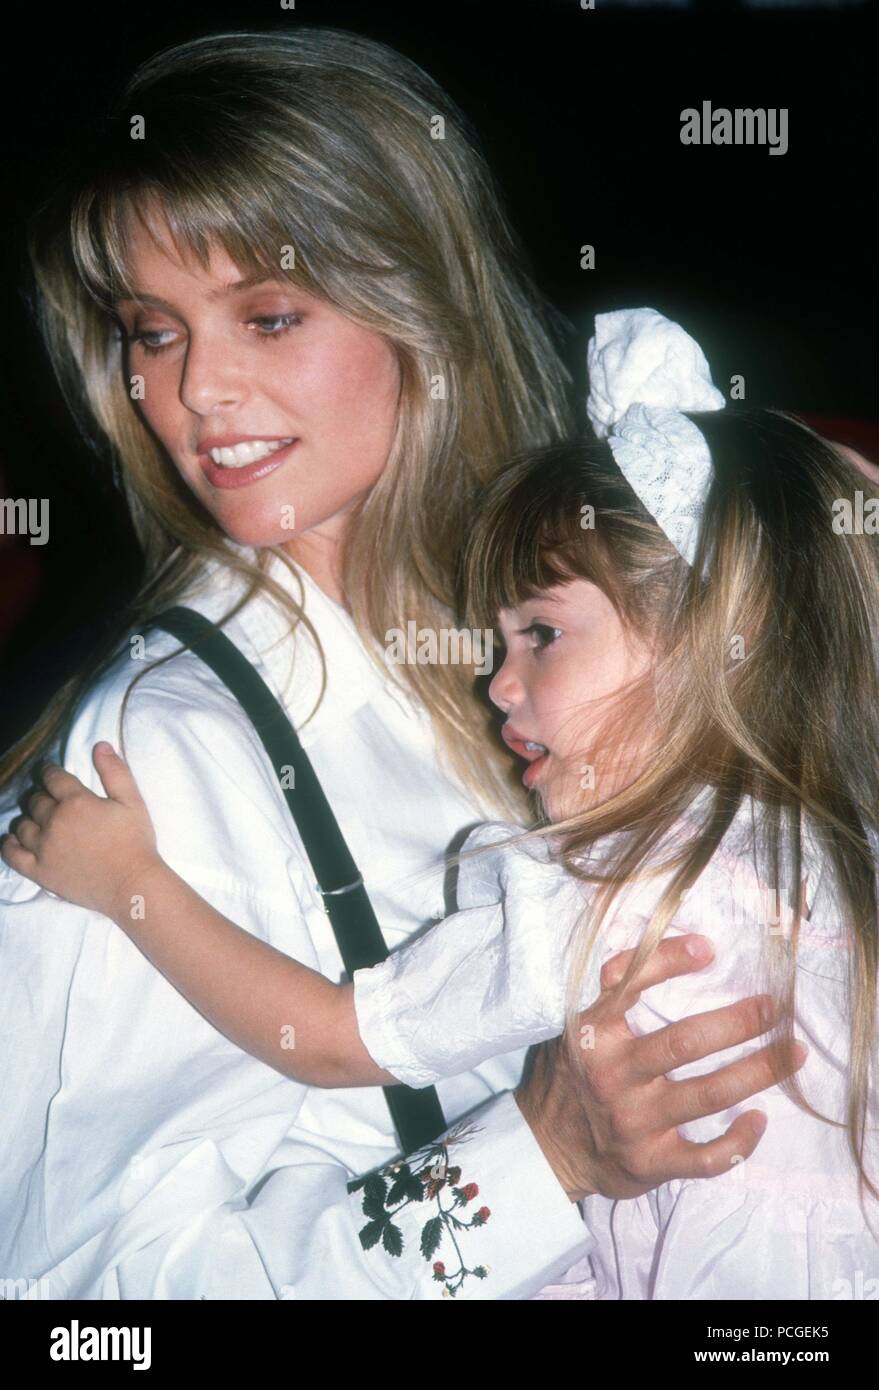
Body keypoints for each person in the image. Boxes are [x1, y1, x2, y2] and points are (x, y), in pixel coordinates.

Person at [0, 34, 799, 1301]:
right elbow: (83, 1303)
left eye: (268, 315)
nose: (196, 386)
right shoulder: (153, 754)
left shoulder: (571, 615)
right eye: (150, 333)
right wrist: (537, 1161)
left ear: (424, 304)